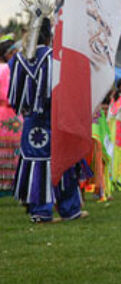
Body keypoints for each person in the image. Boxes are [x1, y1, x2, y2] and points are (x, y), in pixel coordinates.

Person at [10, 13, 87, 222]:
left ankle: (40, 211)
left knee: (36, 164)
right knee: (64, 162)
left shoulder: (18, 59)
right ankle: (69, 209)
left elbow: (14, 94)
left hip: (31, 123)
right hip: (55, 118)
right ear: (49, 34)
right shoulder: (55, 59)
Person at [1, 39, 22, 196]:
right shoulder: (8, 70)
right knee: (13, 149)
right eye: (13, 52)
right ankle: (12, 185)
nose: (16, 54)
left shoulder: (11, 69)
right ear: (7, 54)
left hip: (9, 112)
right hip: (11, 112)